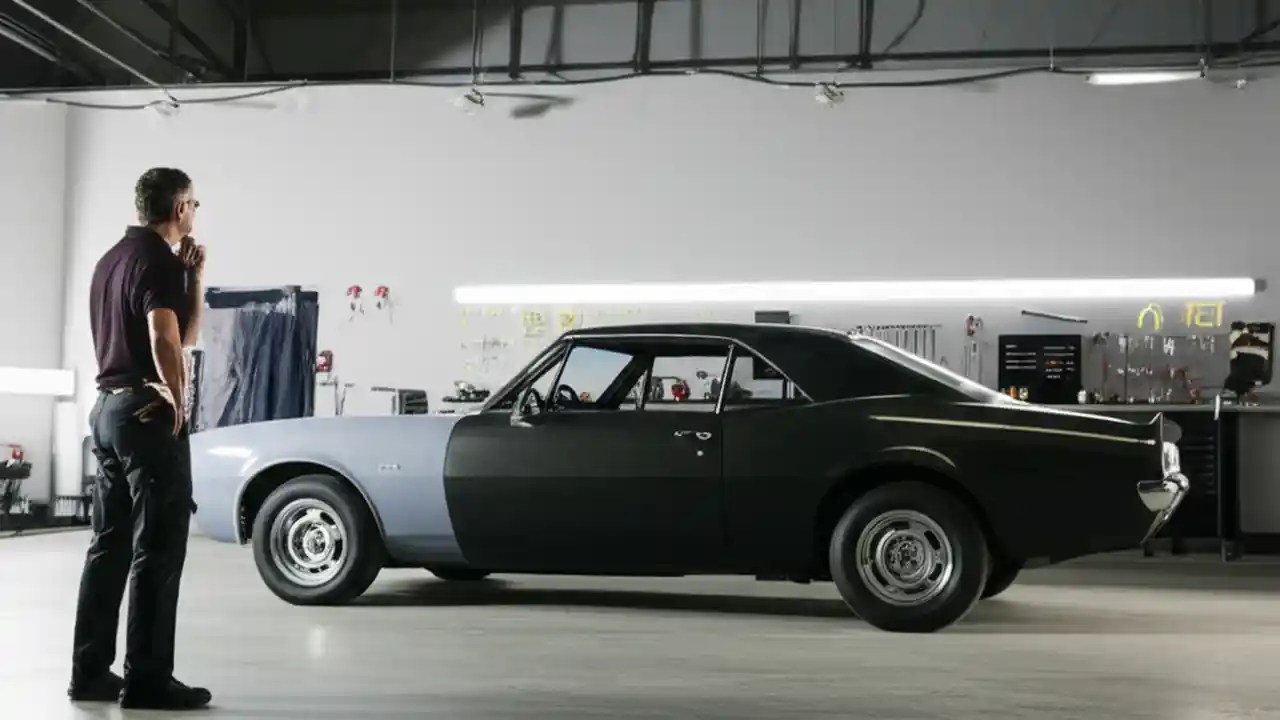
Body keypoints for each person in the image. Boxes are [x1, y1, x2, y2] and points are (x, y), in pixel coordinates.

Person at [68, 168, 211, 710]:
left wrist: (194, 278)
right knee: (159, 546)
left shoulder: (113, 260)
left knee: (109, 545)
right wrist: (178, 399)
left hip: (106, 411)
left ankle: (89, 673)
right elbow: (162, 336)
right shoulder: (155, 259)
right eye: (194, 204)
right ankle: (148, 679)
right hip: (145, 411)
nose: (195, 212)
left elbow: (183, 332)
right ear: (179, 208)